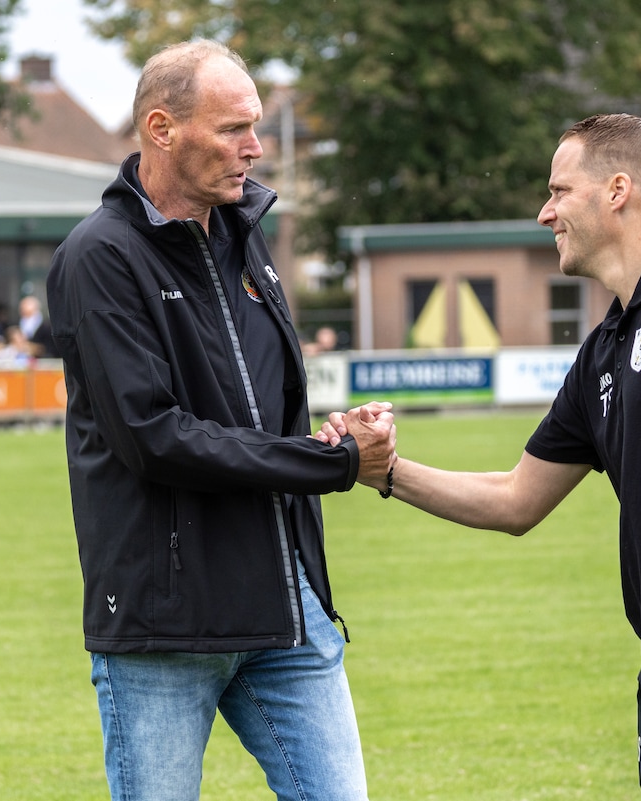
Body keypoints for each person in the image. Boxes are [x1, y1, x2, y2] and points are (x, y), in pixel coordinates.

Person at [320, 114, 641, 800]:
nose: (545, 212)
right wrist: (384, 470)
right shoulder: (604, 348)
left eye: (560, 190)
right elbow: (516, 498)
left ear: (617, 190)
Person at [46, 39, 395, 801]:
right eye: (234, 128)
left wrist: (333, 436)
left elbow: (263, 409)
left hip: (287, 609)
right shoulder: (98, 257)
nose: (256, 147)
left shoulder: (246, 234)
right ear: (163, 128)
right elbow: (155, 437)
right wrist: (329, 465)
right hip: (165, 627)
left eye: (255, 127)